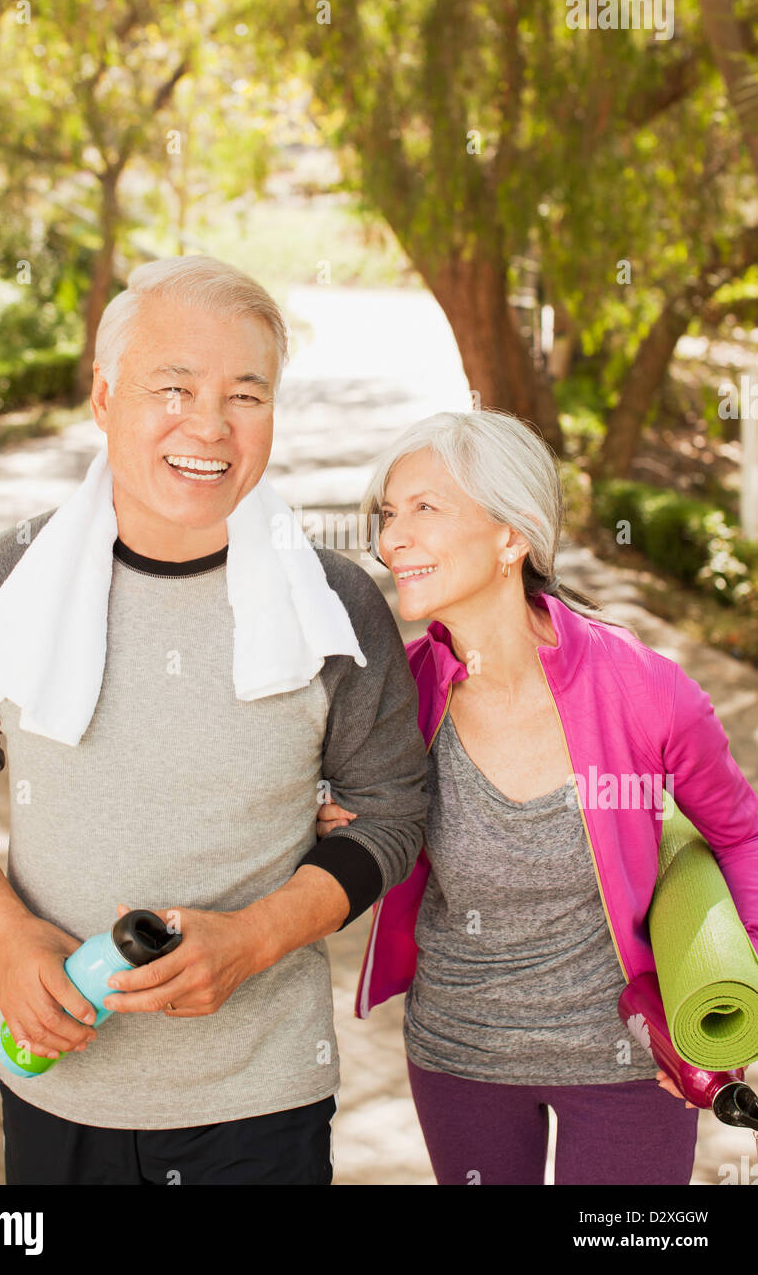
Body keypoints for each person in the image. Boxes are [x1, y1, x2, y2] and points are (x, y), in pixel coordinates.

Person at [0, 254, 429, 1186]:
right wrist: (6, 938)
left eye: (246, 395)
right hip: (57, 1078)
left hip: (260, 1101)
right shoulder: (6, 580)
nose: (210, 426)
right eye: (171, 387)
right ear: (104, 398)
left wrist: (256, 938)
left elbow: (392, 810)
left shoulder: (334, 604)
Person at [318, 408, 758, 1185]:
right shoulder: (399, 695)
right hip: (460, 1055)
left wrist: (739, 996)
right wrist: (336, 817)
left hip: (629, 1061)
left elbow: (740, 833)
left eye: (425, 508)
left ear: (512, 536)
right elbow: (343, 815)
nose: (391, 540)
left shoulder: (645, 691)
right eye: (389, 515)